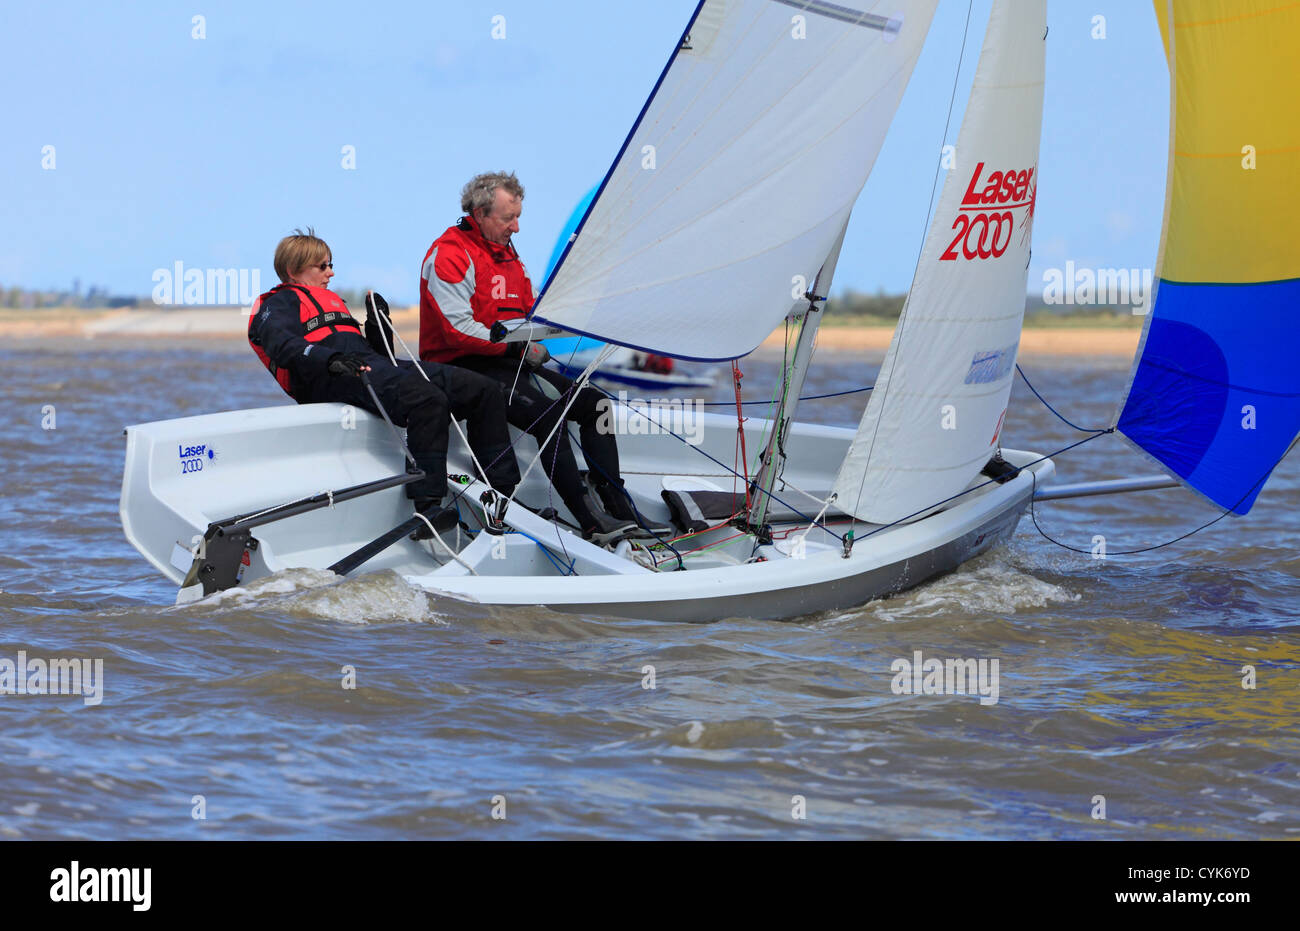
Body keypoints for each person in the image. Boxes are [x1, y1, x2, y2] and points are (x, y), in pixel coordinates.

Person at [419, 172, 651, 543]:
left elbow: (530, 309)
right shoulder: (448, 255)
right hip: (462, 365)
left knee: (598, 406)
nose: (517, 227)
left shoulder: (509, 253)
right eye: (508, 218)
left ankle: (617, 504)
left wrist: (558, 326)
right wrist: (517, 347)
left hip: (506, 361)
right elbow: (457, 330)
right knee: (549, 412)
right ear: (479, 214)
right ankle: (588, 519)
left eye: (519, 216)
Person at [248, 228, 521, 536]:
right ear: (293, 270)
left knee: (482, 389)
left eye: (330, 264)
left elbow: (382, 357)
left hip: (368, 365)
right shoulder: (277, 303)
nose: (331, 273)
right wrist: (329, 360)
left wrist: (378, 323)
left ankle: (503, 494)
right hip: (331, 377)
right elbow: (283, 347)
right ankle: (427, 509)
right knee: (427, 399)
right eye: (322, 266)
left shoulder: (331, 301)